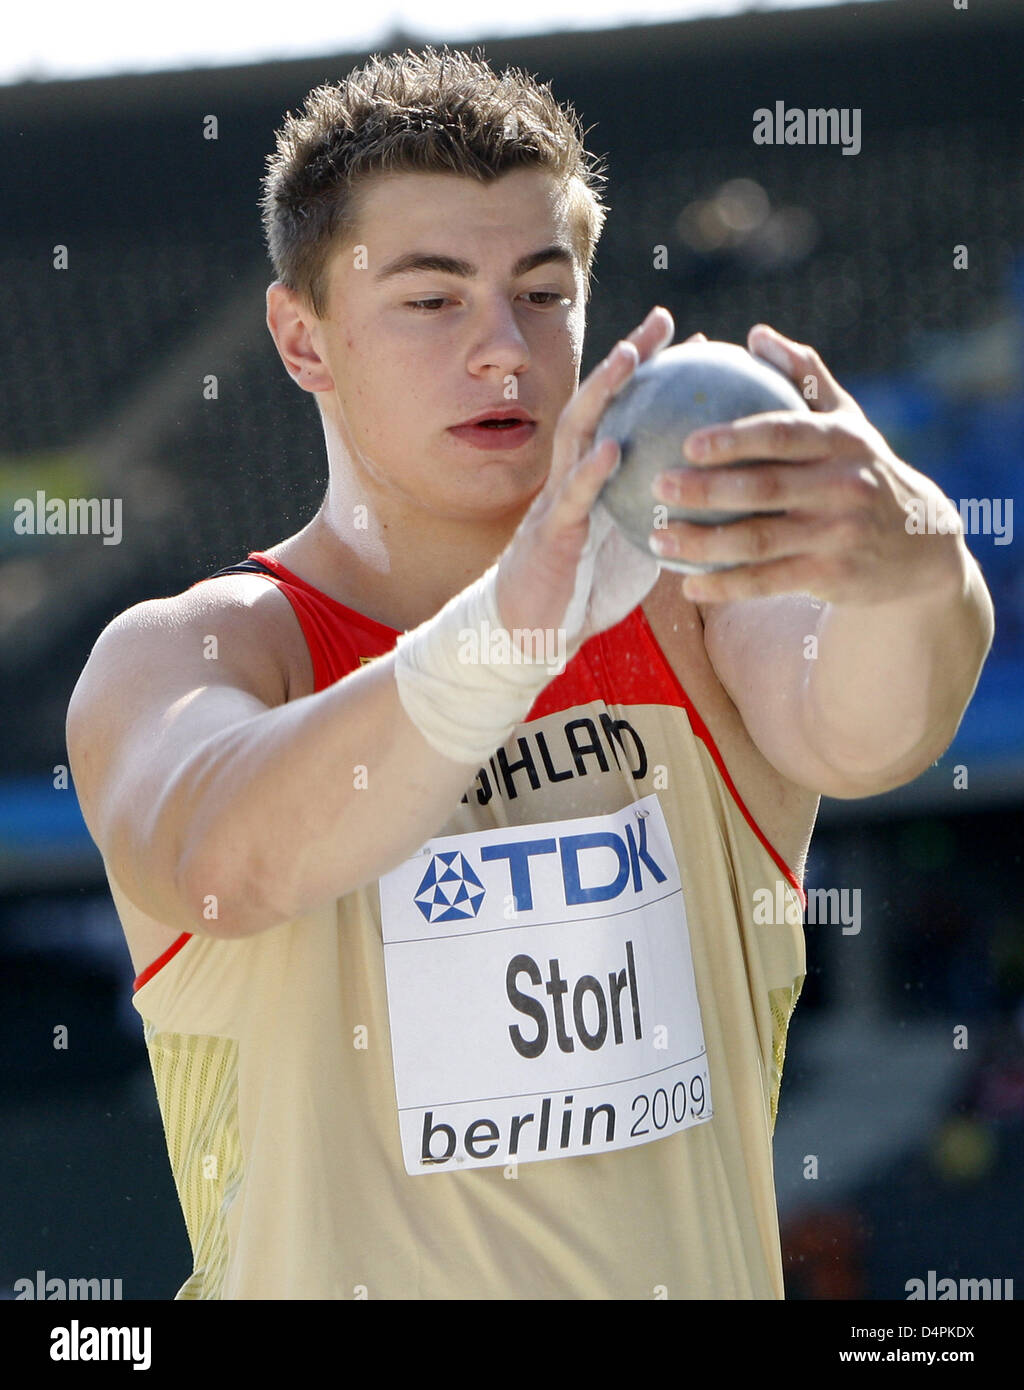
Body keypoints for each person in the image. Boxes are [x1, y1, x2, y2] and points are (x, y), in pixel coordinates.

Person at [66, 46, 993, 1300]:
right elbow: (226, 860)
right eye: (432, 299)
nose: (504, 350)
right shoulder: (202, 647)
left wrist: (915, 560)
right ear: (302, 338)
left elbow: (875, 730)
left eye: (542, 294)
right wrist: (504, 633)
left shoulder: (687, 600)